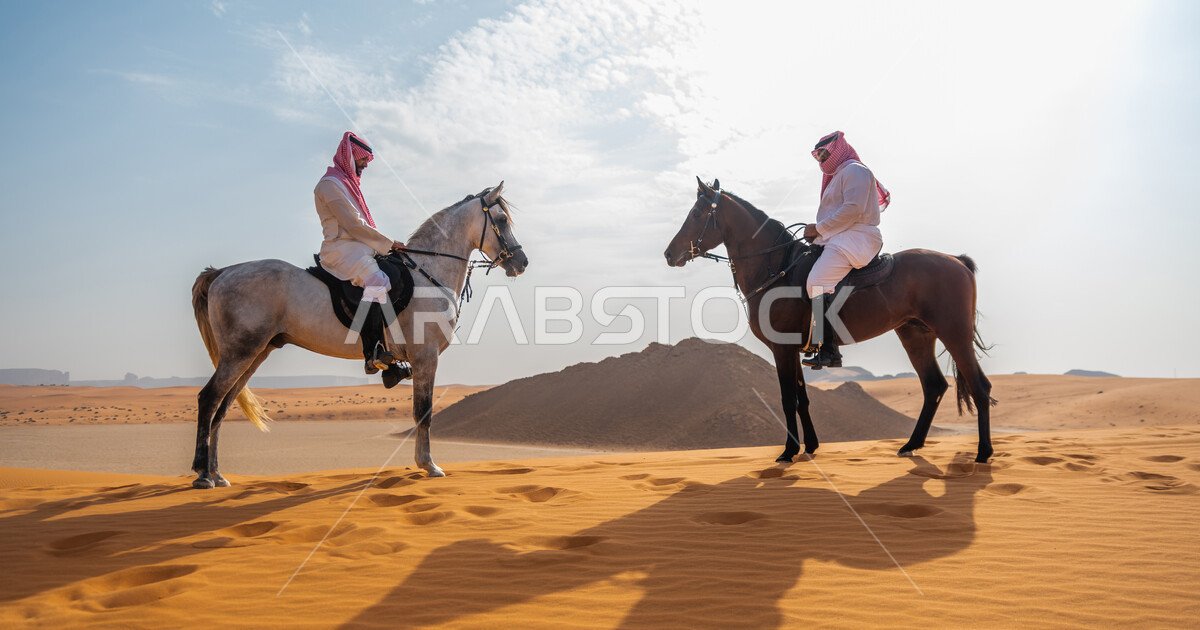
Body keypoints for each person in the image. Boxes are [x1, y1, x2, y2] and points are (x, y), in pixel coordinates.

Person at [314, 131, 406, 374]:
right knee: (377, 280)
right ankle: (372, 352)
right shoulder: (330, 185)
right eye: (363, 159)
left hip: (358, 247)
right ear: (351, 155)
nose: (366, 164)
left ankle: (392, 362)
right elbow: (354, 225)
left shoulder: (346, 184)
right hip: (341, 250)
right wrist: (389, 242)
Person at [800, 131, 890, 369]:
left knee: (816, 282)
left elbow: (852, 210)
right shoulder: (839, 174)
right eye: (818, 156)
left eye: (824, 154)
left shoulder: (854, 170)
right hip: (840, 236)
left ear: (838, 149)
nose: (821, 160)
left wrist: (818, 229)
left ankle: (828, 350)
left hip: (856, 237)